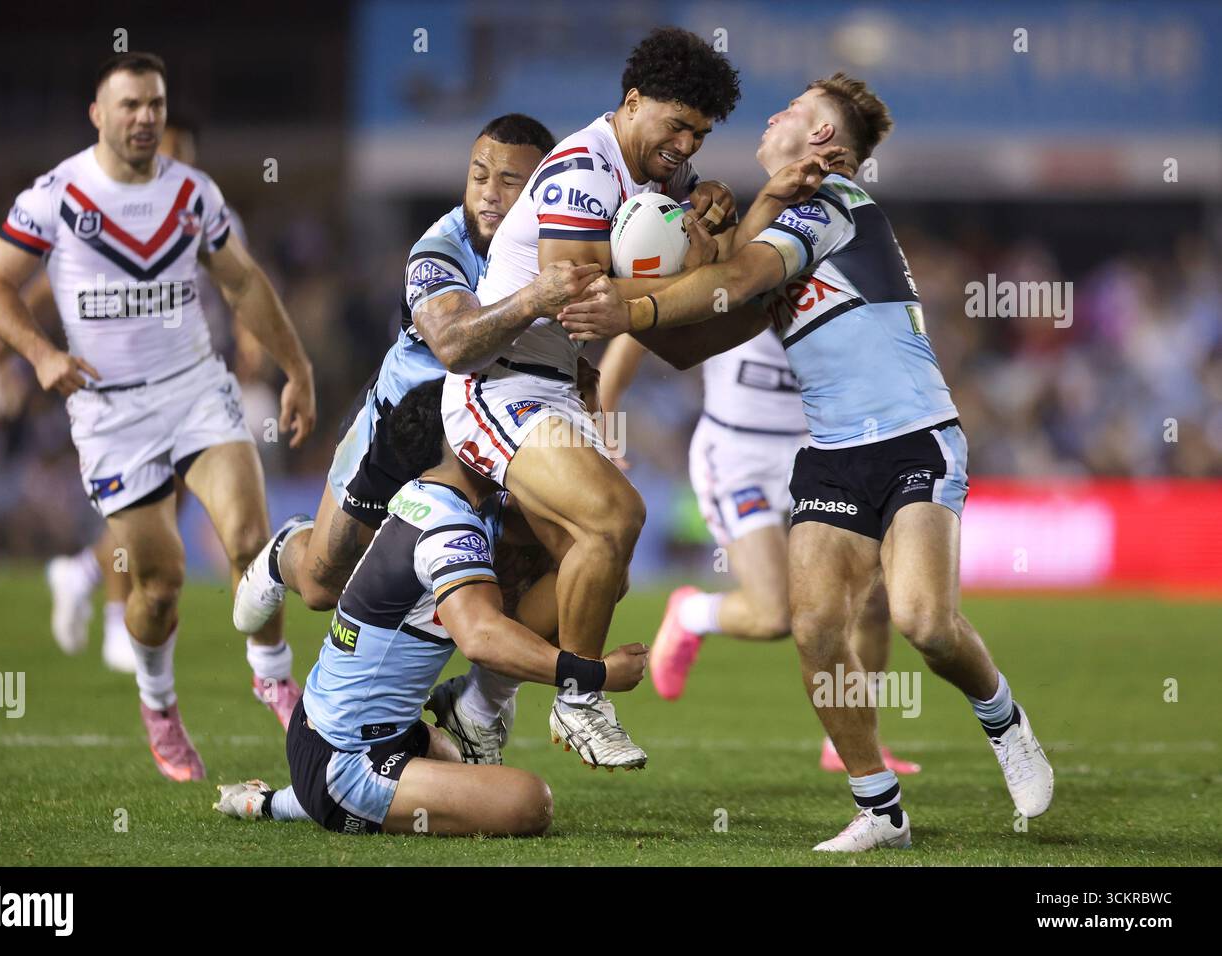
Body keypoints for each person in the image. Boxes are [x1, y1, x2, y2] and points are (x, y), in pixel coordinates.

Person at [556, 73, 1053, 850]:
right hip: (828, 451)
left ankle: (1005, 722)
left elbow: (738, 281)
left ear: (822, 140)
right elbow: (716, 285)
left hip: (913, 437)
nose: (775, 114)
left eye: (793, 110)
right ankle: (879, 809)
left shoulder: (832, 207)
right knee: (817, 629)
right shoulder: (783, 212)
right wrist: (705, 226)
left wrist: (630, 304)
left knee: (923, 619)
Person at [0, 52, 317, 782]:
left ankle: (273, 675)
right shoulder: (56, 196)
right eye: (129, 105)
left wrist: (299, 368)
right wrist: (38, 356)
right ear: (97, 114)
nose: (144, 118)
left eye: (155, 104)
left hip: (195, 389)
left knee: (252, 539)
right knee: (157, 586)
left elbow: (244, 283)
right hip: (109, 414)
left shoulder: (193, 193)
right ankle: (159, 705)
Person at [233, 114, 602, 764]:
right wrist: (537, 298)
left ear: (544, 189)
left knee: (576, 547)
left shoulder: (567, 240)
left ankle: (484, 702)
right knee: (322, 586)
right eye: (478, 174)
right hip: (402, 437)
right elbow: (455, 343)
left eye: (509, 181)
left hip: (487, 447)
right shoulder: (442, 246)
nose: (487, 193)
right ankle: (282, 552)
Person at [436, 27, 747, 770]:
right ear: (632, 102)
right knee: (619, 514)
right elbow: (577, 298)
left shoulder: (655, 182)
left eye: (699, 135)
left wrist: (708, 225)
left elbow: (670, 316)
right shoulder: (582, 168)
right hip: (496, 381)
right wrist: (692, 268)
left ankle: (478, 703)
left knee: (592, 562)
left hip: (553, 390)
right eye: (674, 125)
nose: (684, 145)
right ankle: (579, 701)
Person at [214, 378, 647, 835]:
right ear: (457, 438)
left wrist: (587, 414)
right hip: (349, 755)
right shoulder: (446, 524)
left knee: (594, 567)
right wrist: (594, 674)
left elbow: (585, 533)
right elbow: (481, 637)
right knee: (528, 803)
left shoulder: (462, 500)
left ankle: (274, 801)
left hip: (370, 731)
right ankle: (302, 800)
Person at [597, 332, 920, 775]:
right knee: (774, 617)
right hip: (737, 456)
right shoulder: (726, 287)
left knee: (872, 603)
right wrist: (605, 430)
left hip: (817, 451)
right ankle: (694, 612)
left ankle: (848, 738)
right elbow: (633, 338)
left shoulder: (823, 278)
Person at [42, 114, 250, 674]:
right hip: (133, 389)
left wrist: (252, 342)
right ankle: (112, 615)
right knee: (146, 507)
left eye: (181, 150)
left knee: (166, 508)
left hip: (195, 384)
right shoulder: (118, 216)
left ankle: (83, 575)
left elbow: (242, 288)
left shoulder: (214, 214)